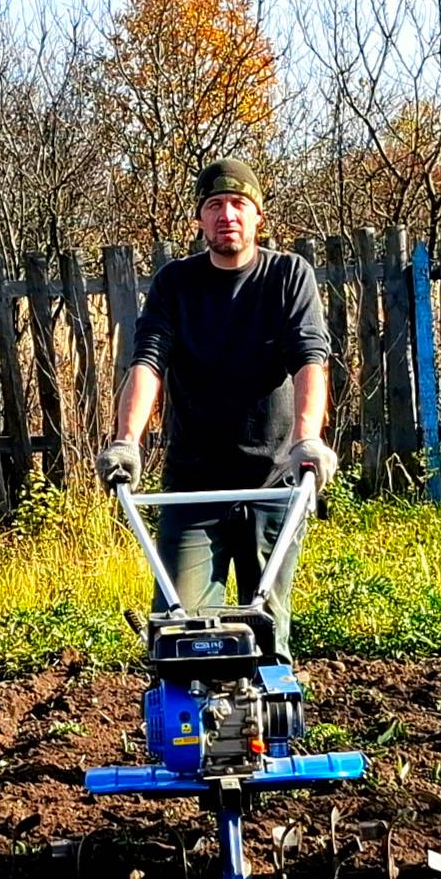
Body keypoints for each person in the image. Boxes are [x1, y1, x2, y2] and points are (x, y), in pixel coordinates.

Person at [98, 159, 337, 662]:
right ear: (200, 220)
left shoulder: (288, 276)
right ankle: (187, 734)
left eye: (238, 205)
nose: (227, 215)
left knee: (264, 630)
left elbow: (310, 359)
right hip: (193, 485)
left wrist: (307, 440)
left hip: (272, 482)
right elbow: (148, 361)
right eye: (214, 206)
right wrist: (126, 441)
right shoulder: (175, 285)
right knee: (179, 630)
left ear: (257, 216)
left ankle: (265, 735)